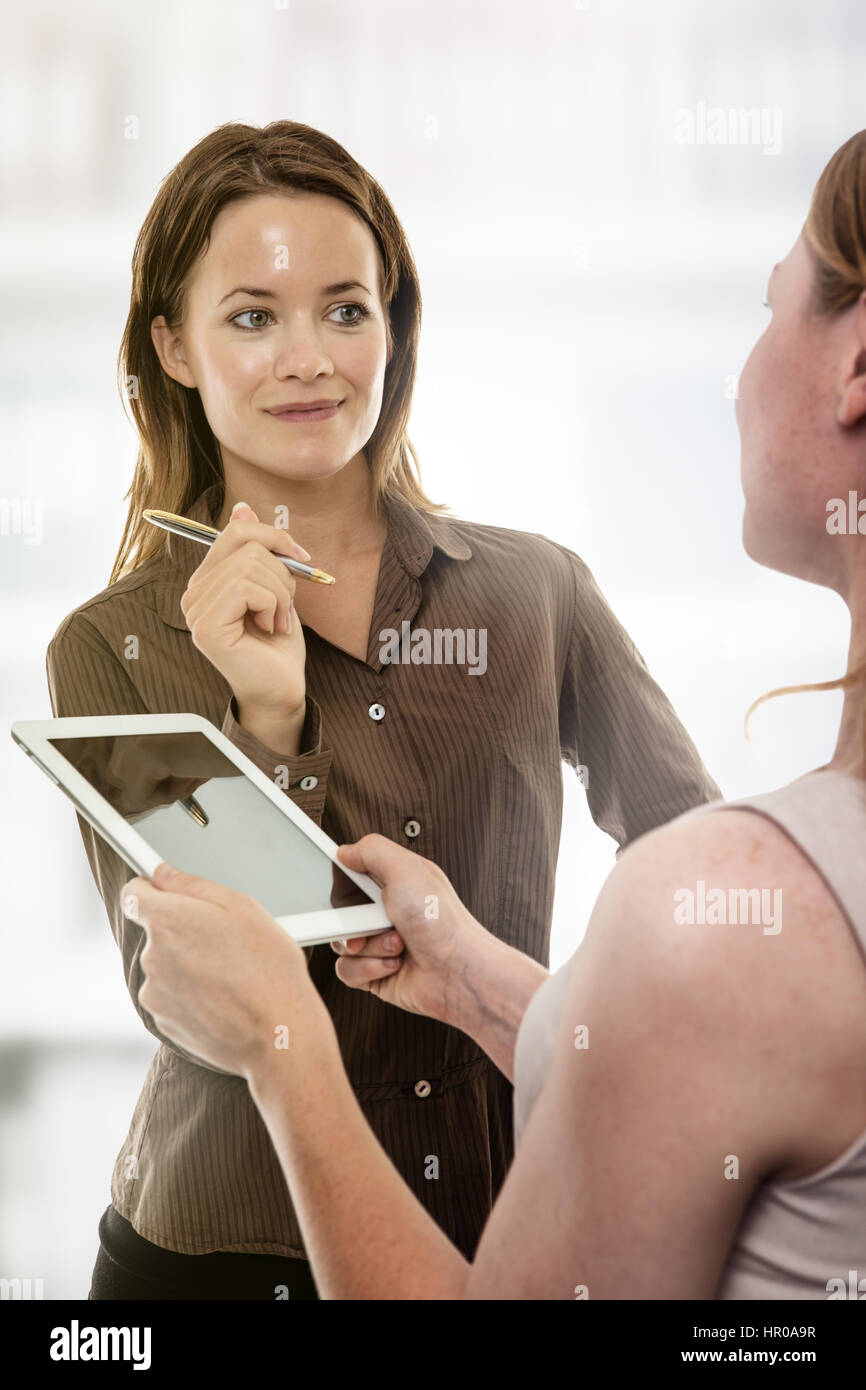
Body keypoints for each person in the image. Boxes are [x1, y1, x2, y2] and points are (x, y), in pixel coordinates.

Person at [124, 130, 866, 1300]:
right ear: (172, 345)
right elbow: (175, 991)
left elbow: (703, 887)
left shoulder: (534, 591)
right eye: (253, 317)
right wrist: (264, 728)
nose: (308, 358)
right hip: (206, 1259)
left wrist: (522, 1002)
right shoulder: (116, 642)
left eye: (347, 309)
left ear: (394, 326)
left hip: (497, 1228)